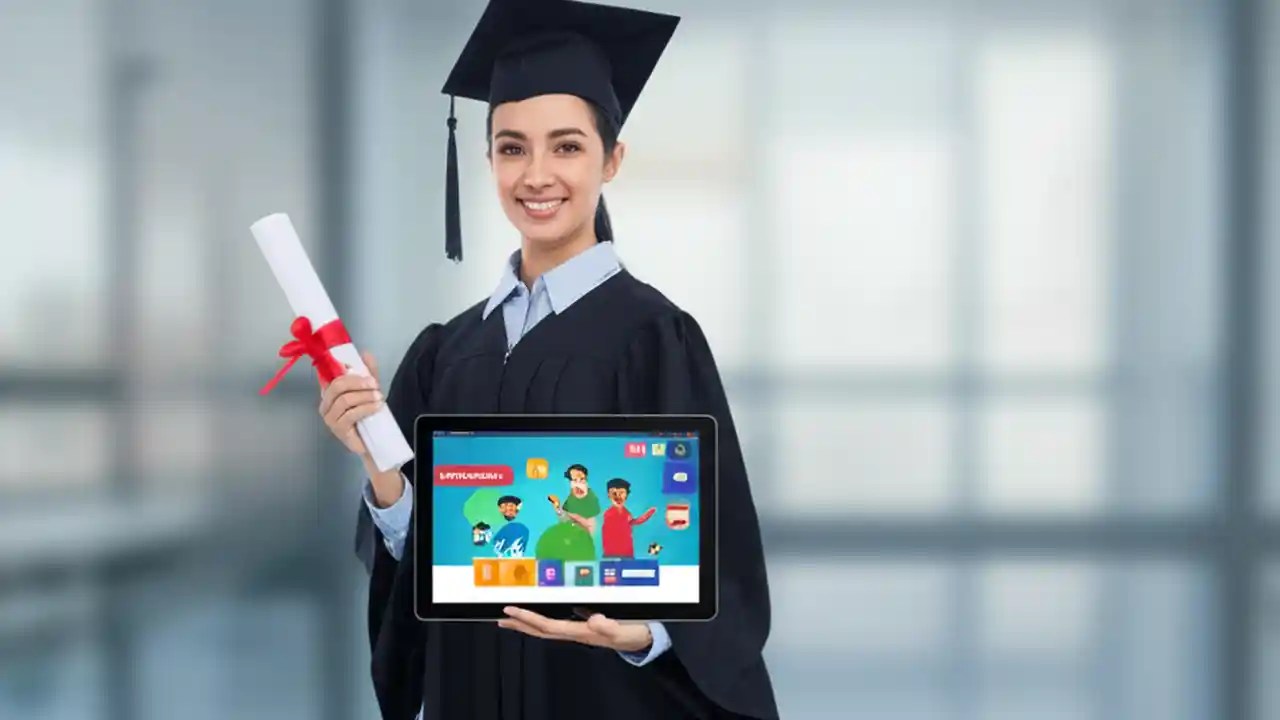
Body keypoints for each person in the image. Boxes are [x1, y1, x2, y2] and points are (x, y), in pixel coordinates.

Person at [318, 1, 777, 717]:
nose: (537, 175)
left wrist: (645, 632)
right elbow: (425, 570)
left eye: (566, 146)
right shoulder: (448, 351)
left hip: (603, 697)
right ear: (488, 159)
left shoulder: (655, 336)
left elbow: (723, 561)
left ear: (611, 159)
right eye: (511, 147)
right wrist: (379, 465)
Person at [601, 478, 656, 558]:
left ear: (627, 494)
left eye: (621, 492)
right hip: (612, 554)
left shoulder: (626, 512)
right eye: (614, 493)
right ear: (608, 495)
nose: (618, 496)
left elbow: (633, 522)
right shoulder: (609, 514)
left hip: (627, 553)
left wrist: (646, 516)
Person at [548, 462, 602, 534]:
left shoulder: (591, 499)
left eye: (582, 479)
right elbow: (565, 521)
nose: (579, 484)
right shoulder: (570, 500)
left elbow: (589, 524)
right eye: (575, 480)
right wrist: (557, 507)